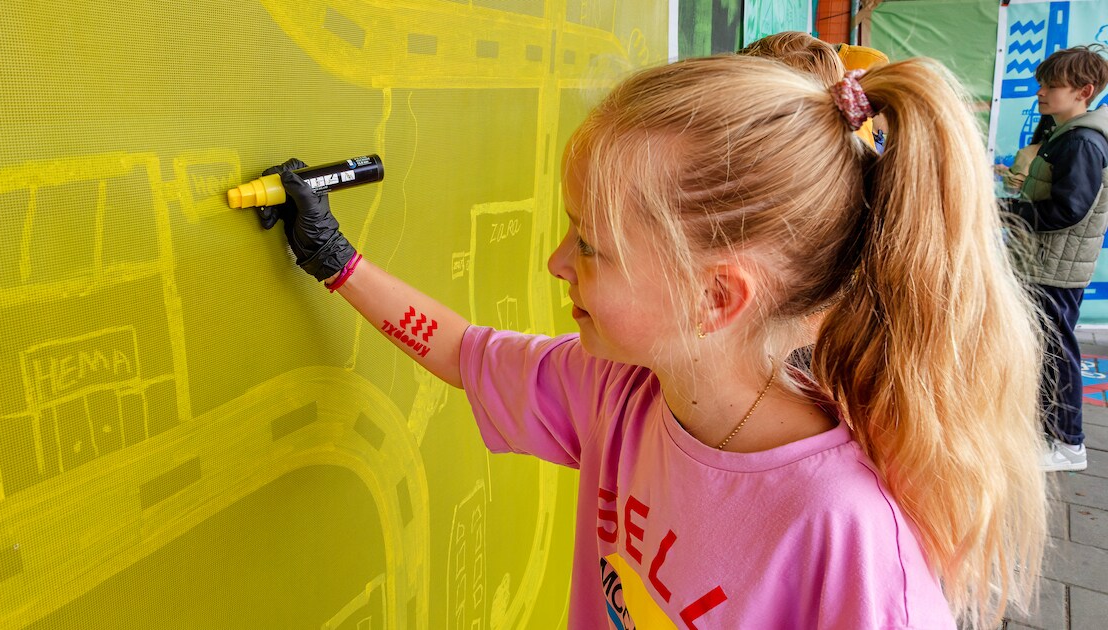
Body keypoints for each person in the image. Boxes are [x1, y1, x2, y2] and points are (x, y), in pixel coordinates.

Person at [258, 55, 1047, 628]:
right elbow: (465, 353)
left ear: (714, 297)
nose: (557, 263)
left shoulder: (847, 541)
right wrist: (335, 260)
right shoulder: (621, 390)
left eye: (591, 246)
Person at [1004, 44, 1108, 472]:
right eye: (1041, 84)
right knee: (1042, 348)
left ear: (1084, 90)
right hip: (1043, 263)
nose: (1041, 93)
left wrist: (1005, 212)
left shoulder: (1083, 141)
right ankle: (1049, 432)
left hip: (1055, 269)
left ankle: (1069, 444)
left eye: (1052, 86)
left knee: (1055, 350)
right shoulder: (1063, 133)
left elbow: (1068, 210)